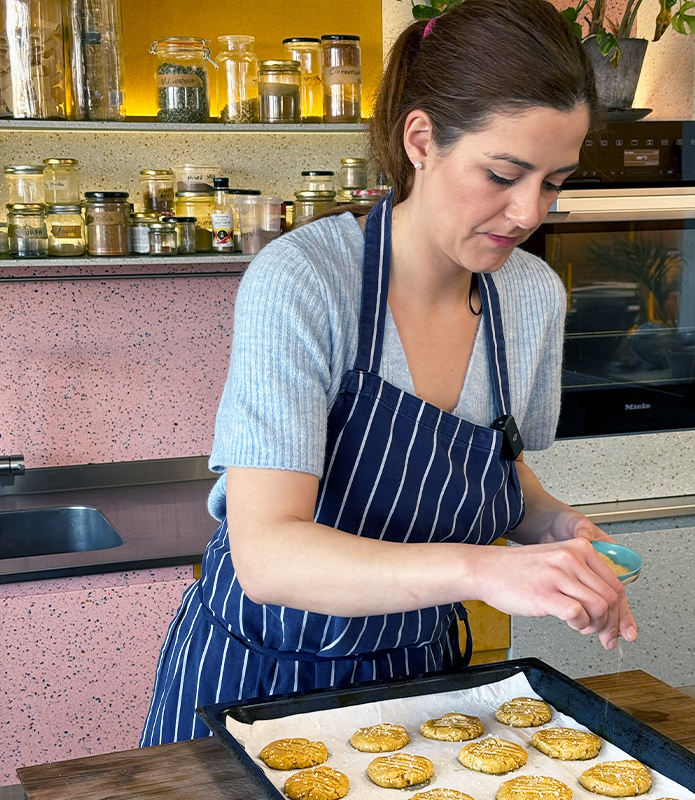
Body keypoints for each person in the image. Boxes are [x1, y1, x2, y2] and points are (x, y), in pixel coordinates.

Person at [140, 0, 638, 747]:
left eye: (555, 181)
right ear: (421, 139)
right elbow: (269, 555)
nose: (530, 211)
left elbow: (497, 472)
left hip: (422, 681)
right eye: (504, 174)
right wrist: (480, 572)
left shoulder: (529, 297)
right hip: (257, 680)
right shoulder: (306, 282)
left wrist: (555, 526)